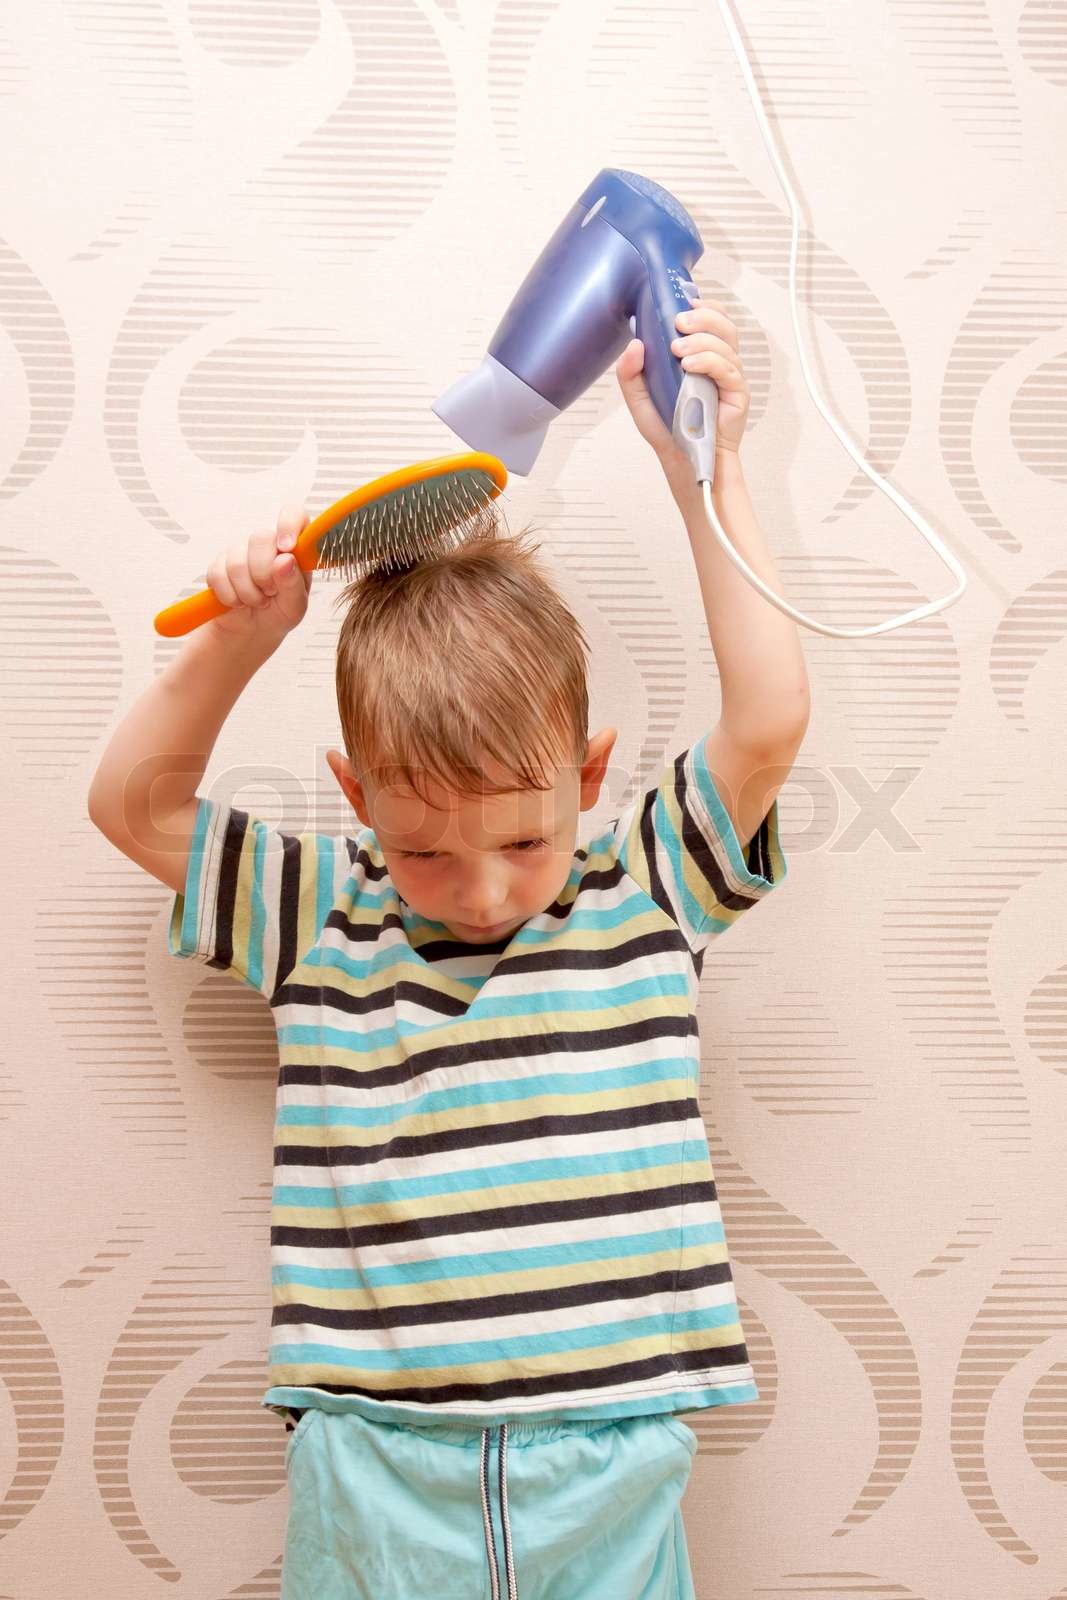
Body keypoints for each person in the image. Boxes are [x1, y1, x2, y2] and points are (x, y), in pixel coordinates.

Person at [88, 302, 809, 1599]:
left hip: (608, 1450)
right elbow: (131, 806)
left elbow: (768, 717)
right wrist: (242, 635)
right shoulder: (320, 916)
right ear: (356, 800)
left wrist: (706, 473)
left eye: (525, 841)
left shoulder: (644, 888)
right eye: (424, 851)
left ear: (587, 779)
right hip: (373, 1460)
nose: (480, 893)